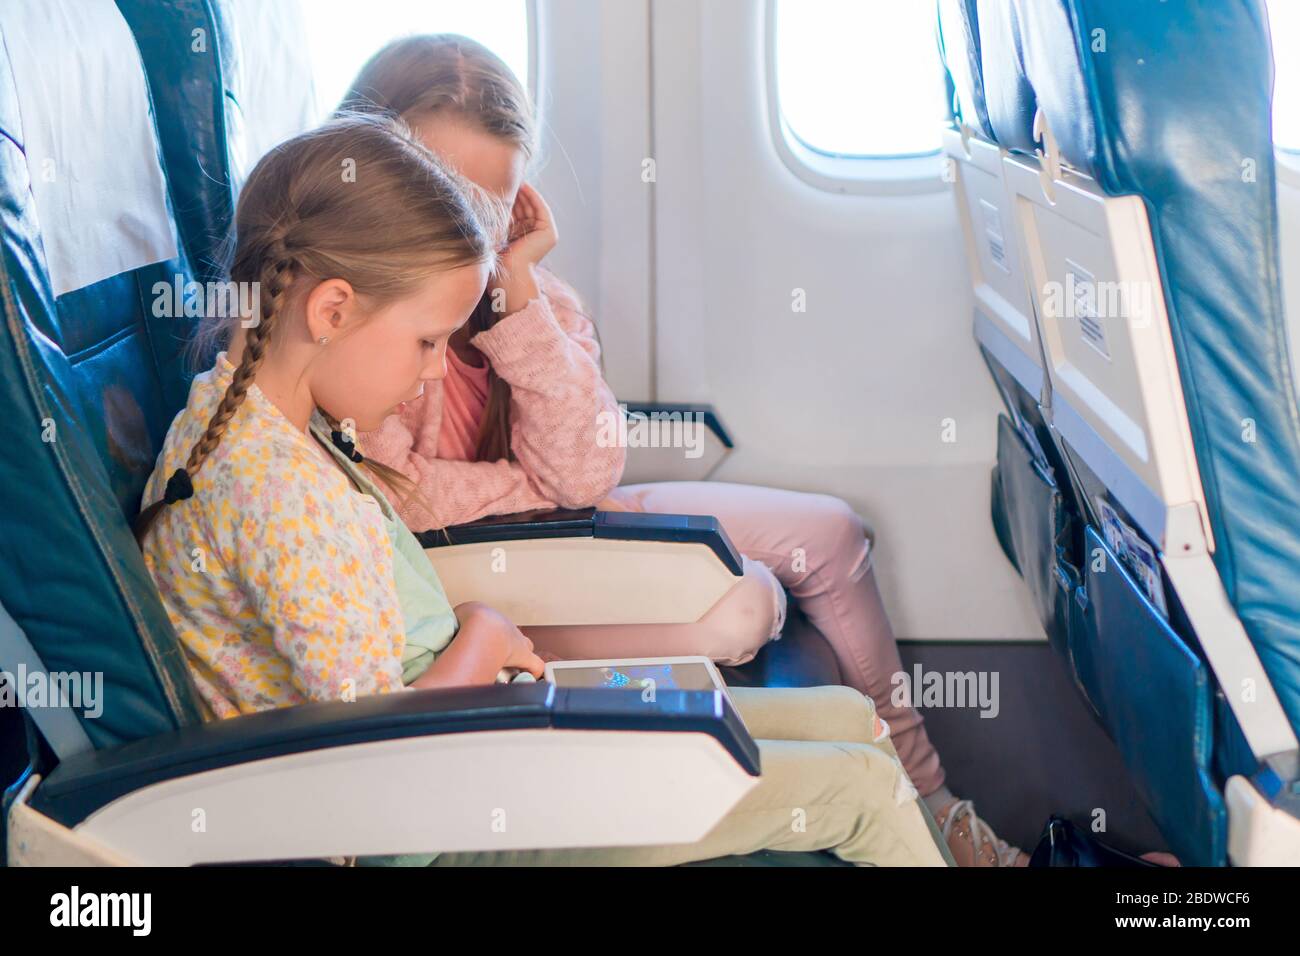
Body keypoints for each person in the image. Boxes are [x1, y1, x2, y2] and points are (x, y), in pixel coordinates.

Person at [136, 113, 949, 867]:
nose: (429, 377)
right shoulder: (273, 494)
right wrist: (485, 633)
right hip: (439, 811)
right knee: (863, 787)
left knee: (851, 721)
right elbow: (381, 744)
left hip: (485, 741)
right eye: (426, 343)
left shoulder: (251, 415)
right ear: (332, 310)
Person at [344, 34, 1024, 865]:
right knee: (743, 604)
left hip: (554, 518)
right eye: (445, 198)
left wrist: (521, 296)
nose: (470, 236)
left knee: (835, 535)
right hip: (499, 555)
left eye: (494, 206)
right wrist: (528, 484)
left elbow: (587, 472)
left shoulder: (522, 293)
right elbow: (392, 494)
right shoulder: (372, 332)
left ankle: (936, 802)